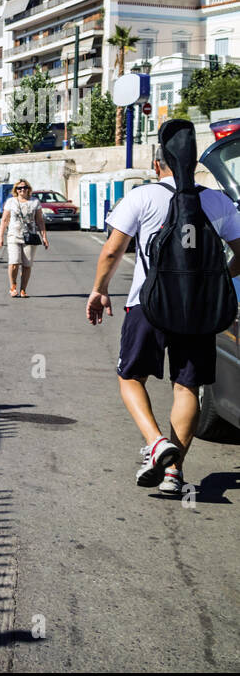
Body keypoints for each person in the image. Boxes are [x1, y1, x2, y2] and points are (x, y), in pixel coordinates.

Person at [86, 124, 240, 493]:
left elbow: (112, 250)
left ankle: (156, 444)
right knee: (187, 387)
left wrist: (99, 291)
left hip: (149, 305)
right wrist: (216, 280)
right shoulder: (217, 200)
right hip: (200, 313)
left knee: (130, 378)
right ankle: (174, 474)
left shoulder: (141, 198)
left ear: (158, 164)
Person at [0, 179, 48, 297]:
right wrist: (0, 236)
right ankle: (13, 286)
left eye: (24, 187)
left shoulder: (35, 202)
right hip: (14, 235)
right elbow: (4, 220)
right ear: (16, 190)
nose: (22, 190)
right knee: (14, 262)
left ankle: (23, 289)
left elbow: (40, 221)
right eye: (19, 188)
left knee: (27, 265)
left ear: (28, 189)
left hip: (30, 236)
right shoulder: (11, 201)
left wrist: (44, 237)